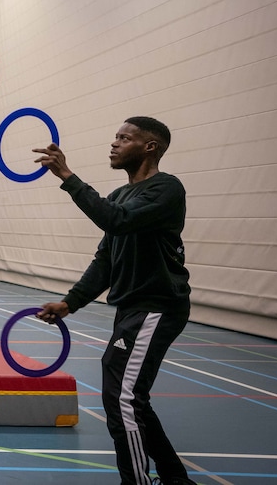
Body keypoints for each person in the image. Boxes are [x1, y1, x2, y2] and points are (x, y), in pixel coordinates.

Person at [33, 117, 197, 485]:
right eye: (116, 137)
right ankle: (176, 479)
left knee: (123, 399)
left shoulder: (167, 189)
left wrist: (68, 176)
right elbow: (106, 259)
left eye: (125, 138)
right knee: (128, 396)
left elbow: (117, 221)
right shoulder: (121, 195)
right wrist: (70, 302)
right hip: (132, 308)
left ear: (149, 147)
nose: (115, 143)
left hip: (157, 306)